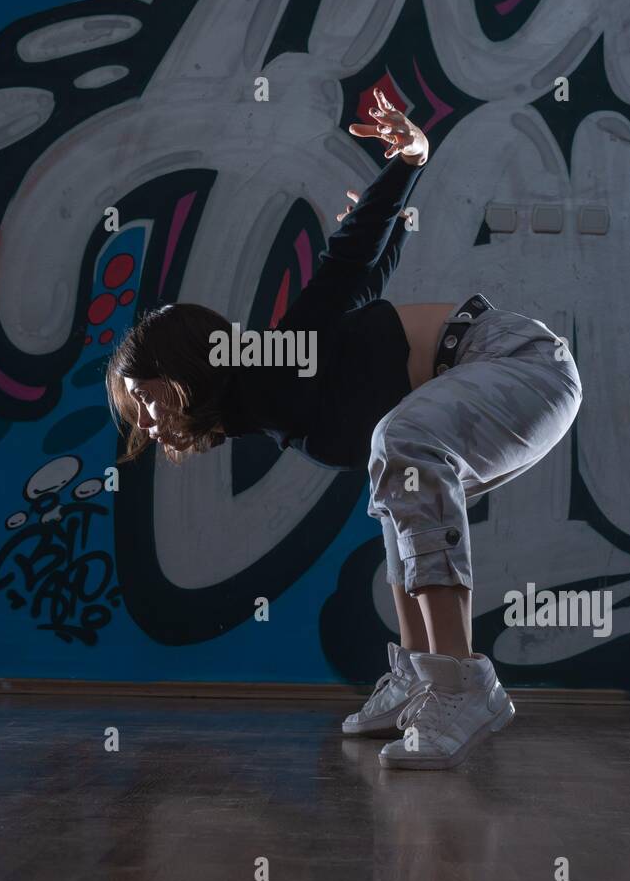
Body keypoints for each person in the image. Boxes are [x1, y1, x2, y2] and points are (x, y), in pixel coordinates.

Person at [105, 90, 582, 769]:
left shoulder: (271, 364)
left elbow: (347, 264)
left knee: (400, 448)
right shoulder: (272, 404)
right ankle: (424, 676)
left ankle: (462, 681)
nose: (146, 422)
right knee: (395, 496)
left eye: (146, 399)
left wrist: (409, 161)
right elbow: (367, 278)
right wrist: (383, 215)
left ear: (185, 369)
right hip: (501, 389)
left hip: (519, 366)